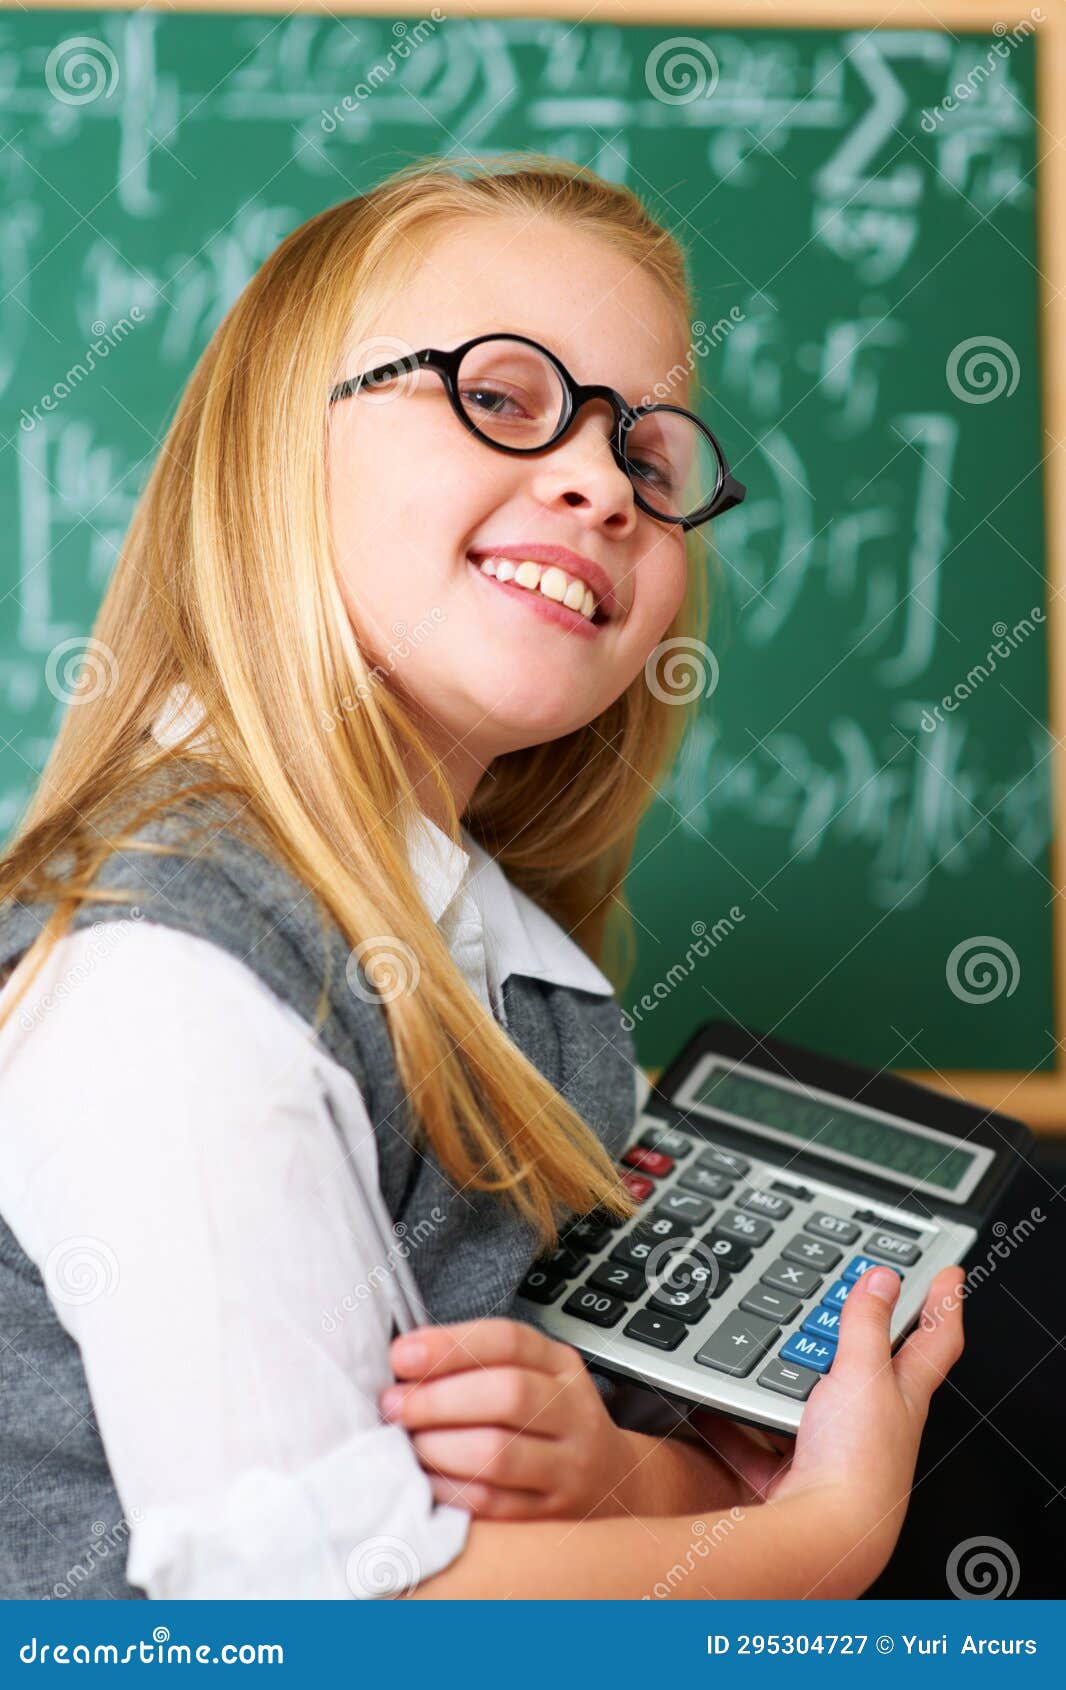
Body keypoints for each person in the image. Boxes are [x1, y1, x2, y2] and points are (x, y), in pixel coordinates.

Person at [0, 152, 964, 1601]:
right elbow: (323, 1624)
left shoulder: (504, 956)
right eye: (498, 398)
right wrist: (816, 1537)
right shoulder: (169, 977)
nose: (600, 481)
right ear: (275, 448)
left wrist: (637, 1473)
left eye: (648, 456)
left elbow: (520, 1504)